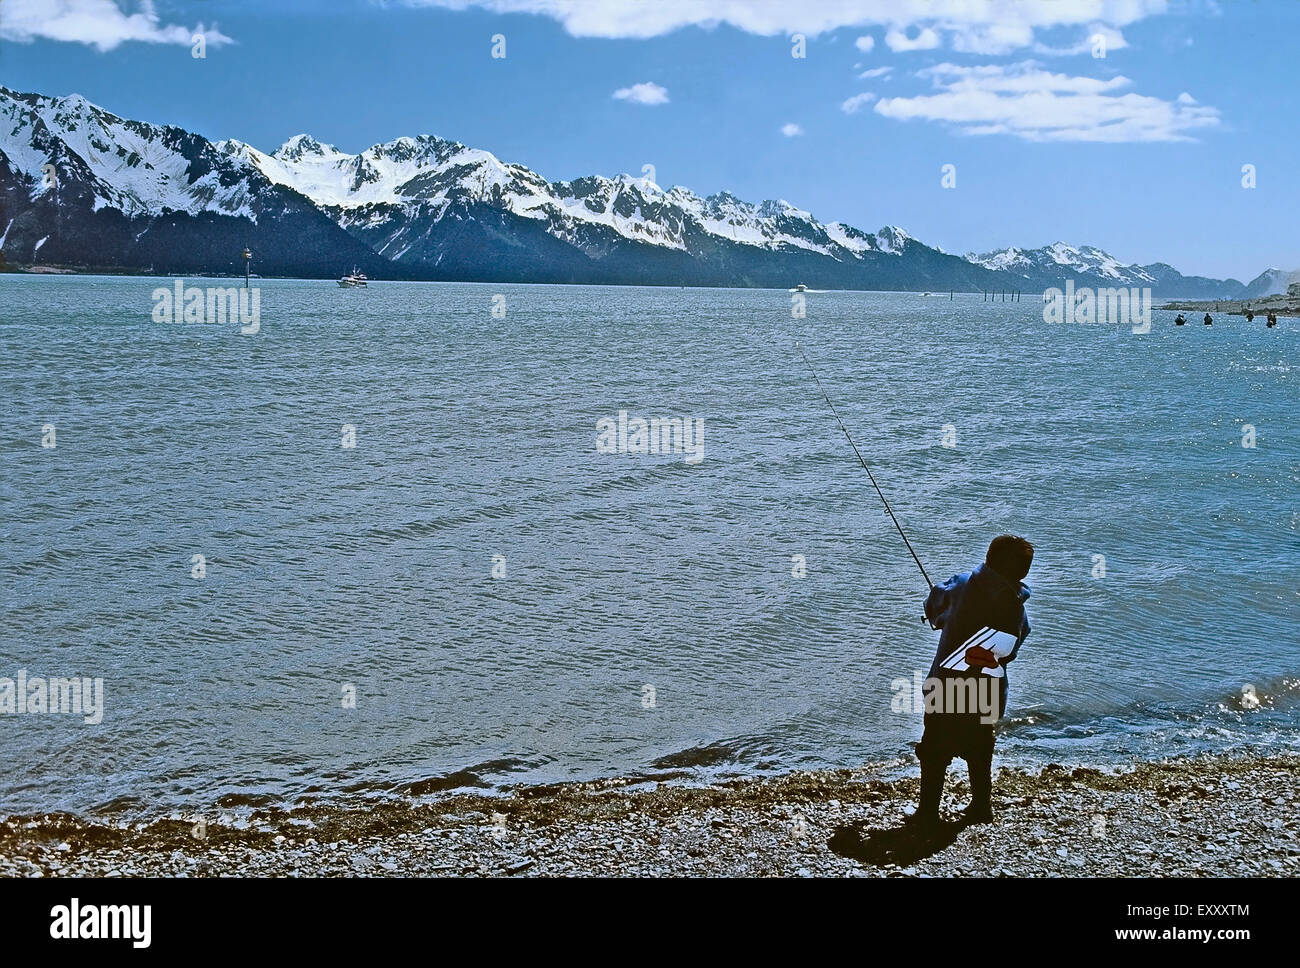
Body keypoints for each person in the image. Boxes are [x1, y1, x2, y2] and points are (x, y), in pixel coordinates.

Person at [909, 535, 1033, 828]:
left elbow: (933, 608)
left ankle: (928, 812)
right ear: (1022, 573)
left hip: (946, 686)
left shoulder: (962, 586)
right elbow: (1013, 646)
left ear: (989, 559)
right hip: (986, 691)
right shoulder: (1017, 606)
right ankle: (980, 807)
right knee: (980, 749)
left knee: (934, 751)